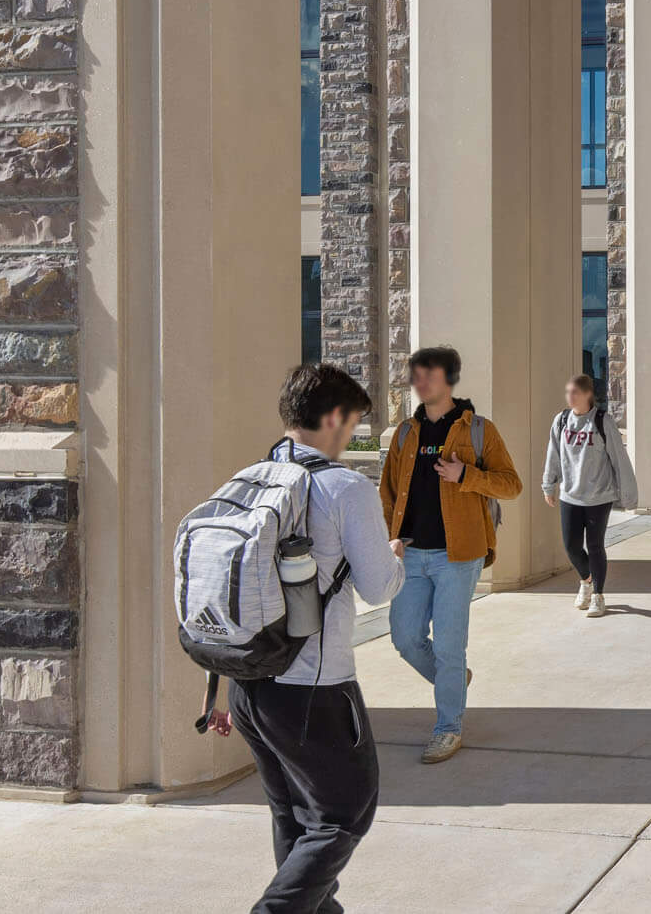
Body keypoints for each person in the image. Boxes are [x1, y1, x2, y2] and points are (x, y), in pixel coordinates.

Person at [208, 363, 404, 914]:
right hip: (315, 687)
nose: (351, 437)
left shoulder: (247, 480)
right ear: (335, 417)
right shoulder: (344, 487)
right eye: (354, 424)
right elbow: (378, 587)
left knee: (293, 817)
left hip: (250, 684)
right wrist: (393, 559)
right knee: (345, 813)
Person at [378, 344, 522, 765]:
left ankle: (447, 727)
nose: (420, 382)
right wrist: (391, 537)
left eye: (429, 375)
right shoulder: (406, 433)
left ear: (449, 380)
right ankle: (453, 682)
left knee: (449, 646)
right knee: (404, 637)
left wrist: (466, 475)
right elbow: (387, 494)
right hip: (411, 555)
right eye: (416, 375)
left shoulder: (478, 430)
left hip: (459, 555)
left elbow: (511, 485)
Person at [540, 373, 639, 617]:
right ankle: (586, 581)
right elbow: (553, 453)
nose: (569, 397)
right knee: (571, 546)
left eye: (574, 392)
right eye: (568, 392)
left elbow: (619, 458)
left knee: (594, 546)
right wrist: (548, 484)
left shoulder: (602, 421)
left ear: (587, 394)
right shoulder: (561, 420)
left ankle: (598, 596)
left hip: (599, 496)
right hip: (569, 494)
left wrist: (629, 496)